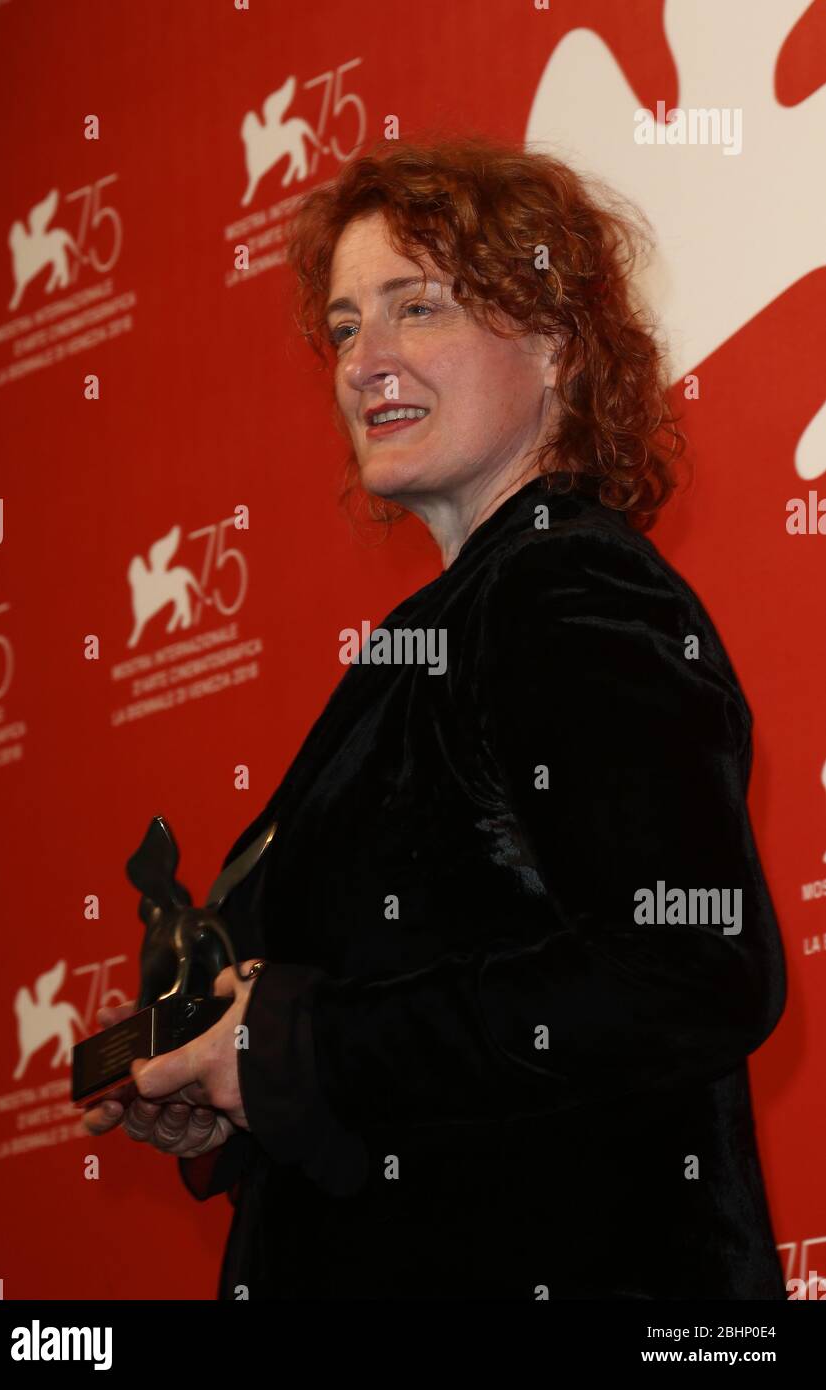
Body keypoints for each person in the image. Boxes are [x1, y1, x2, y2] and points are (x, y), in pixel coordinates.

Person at [84, 135, 788, 1300]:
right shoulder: (450, 628)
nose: (367, 359)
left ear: (556, 346)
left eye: (418, 307)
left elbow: (691, 968)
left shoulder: (567, 591)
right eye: (348, 325)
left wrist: (296, 1046)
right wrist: (231, 1097)